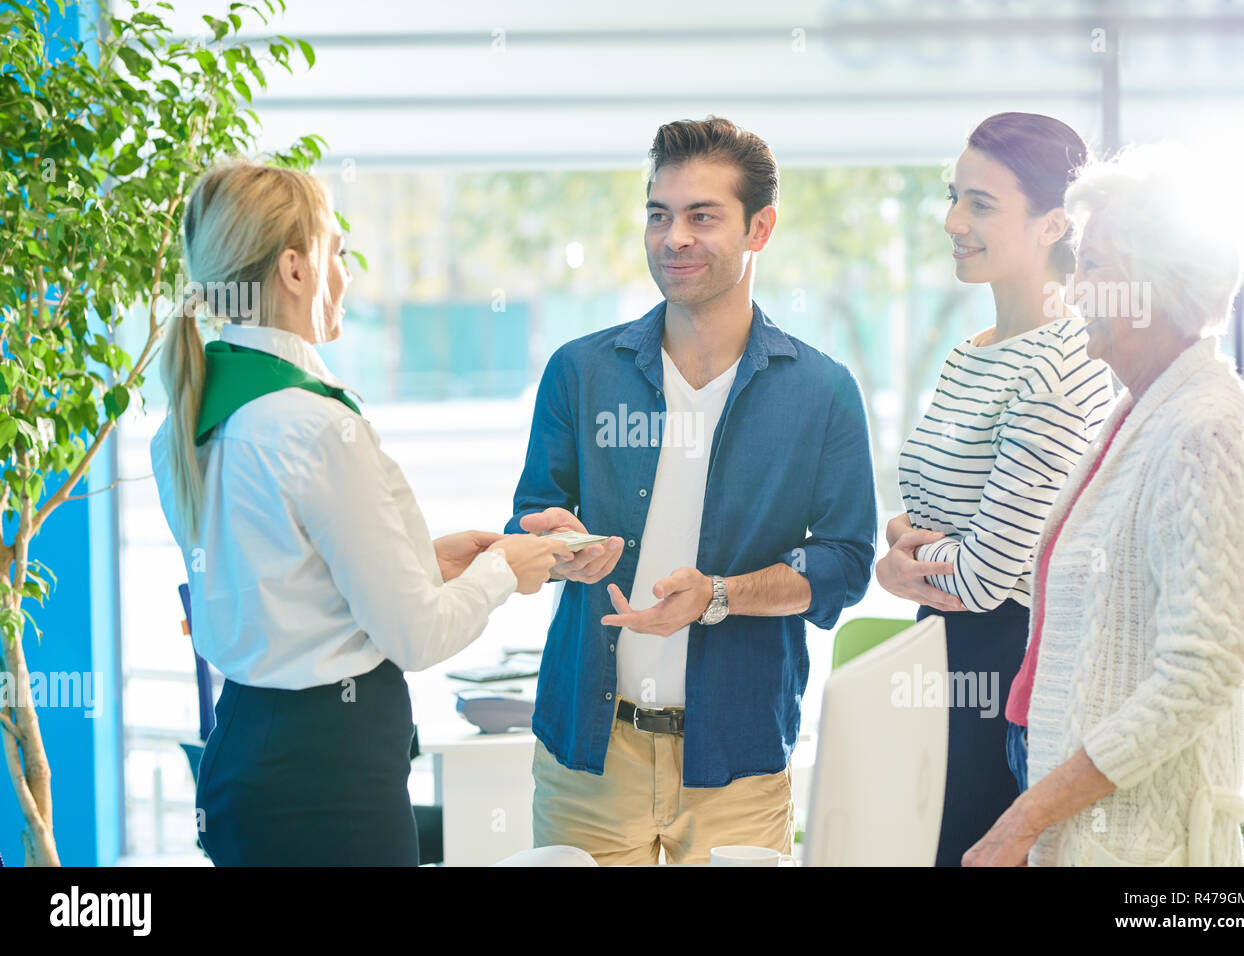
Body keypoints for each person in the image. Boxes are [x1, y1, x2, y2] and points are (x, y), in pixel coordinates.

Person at [151, 160, 570, 866]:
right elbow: (416, 636)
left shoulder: (189, 420)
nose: (344, 274)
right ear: (293, 269)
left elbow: (289, 583)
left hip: (244, 758)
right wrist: (505, 569)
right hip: (329, 785)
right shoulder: (314, 425)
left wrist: (425, 561)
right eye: (336, 254)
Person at [506, 116, 876, 865]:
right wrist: (553, 545)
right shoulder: (580, 372)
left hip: (736, 760)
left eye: (702, 216)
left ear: (759, 228)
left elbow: (845, 564)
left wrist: (720, 595)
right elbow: (530, 516)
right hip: (590, 754)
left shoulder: (823, 392)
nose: (674, 237)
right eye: (659, 215)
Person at [965, 142, 1244, 867]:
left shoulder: (1208, 430)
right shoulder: (1138, 410)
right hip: (1076, 807)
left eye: (1092, 267)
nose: (1072, 292)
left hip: (1140, 841)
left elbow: (1199, 672)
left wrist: (1024, 818)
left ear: (1152, 284)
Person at [874, 113, 1112, 865]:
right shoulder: (975, 349)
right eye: (954, 197)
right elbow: (924, 515)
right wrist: (905, 545)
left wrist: (903, 563)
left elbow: (983, 580)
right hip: (939, 652)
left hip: (1004, 675)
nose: (954, 221)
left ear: (1053, 225)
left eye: (981, 204)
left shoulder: (1061, 366)